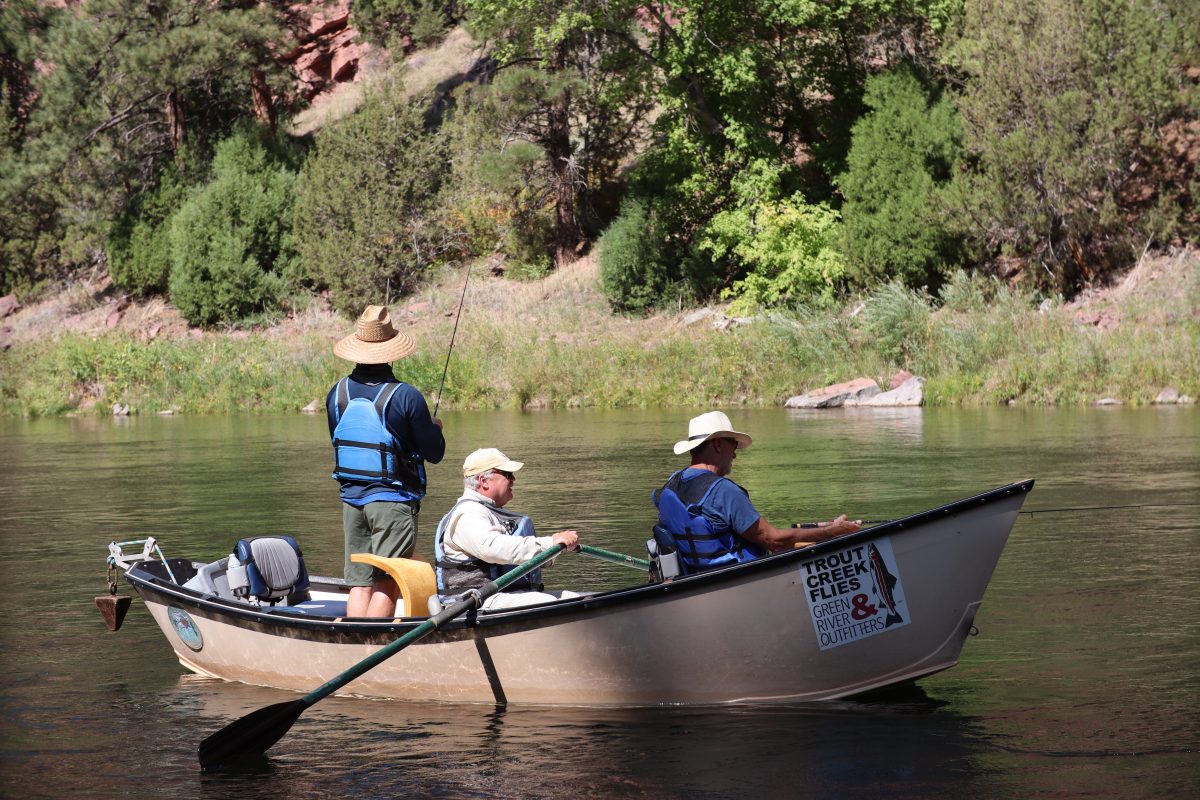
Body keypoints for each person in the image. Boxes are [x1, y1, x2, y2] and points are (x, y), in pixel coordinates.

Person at [328, 305, 446, 617]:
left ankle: (354, 645)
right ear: (390, 351)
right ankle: (373, 648)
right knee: (388, 581)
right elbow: (434, 453)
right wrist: (435, 430)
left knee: (359, 582)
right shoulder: (406, 396)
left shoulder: (336, 394)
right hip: (392, 503)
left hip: (351, 501)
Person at [654, 410, 860, 573]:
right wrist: (832, 533)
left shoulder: (670, 486)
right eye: (733, 445)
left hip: (699, 580)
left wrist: (822, 530)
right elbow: (775, 542)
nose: (735, 455)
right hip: (739, 580)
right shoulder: (724, 492)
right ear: (717, 444)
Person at [434, 448, 581, 610]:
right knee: (552, 603)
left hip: (502, 597)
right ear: (484, 481)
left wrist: (552, 552)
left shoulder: (490, 511)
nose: (513, 479)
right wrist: (549, 543)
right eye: (507, 474)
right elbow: (493, 549)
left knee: (577, 599)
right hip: (473, 603)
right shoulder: (469, 513)